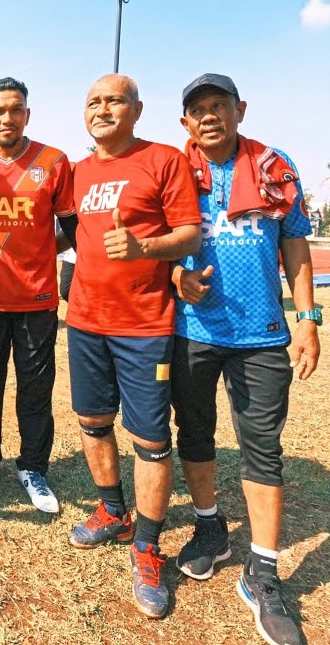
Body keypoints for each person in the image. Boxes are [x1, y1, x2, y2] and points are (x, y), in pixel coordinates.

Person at [171, 73, 318, 645]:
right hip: (192, 330)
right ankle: (211, 528)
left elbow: (295, 241)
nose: (209, 116)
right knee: (194, 432)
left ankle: (263, 571)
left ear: (240, 110)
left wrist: (308, 319)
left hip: (261, 333)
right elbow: (156, 241)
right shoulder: (174, 169)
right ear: (185, 122)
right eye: (198, 109)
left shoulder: (274, 166)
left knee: (263, 447)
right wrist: (175, 275)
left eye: (219, 105)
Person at [66, 74, 201, 619]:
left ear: (137, 110)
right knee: (92, 421)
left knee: (150, 439)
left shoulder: (163, 160)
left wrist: (144, 247)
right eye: (93, 102)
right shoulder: (77, 172)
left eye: (114, 101)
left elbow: (190, 234)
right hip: (84, 320)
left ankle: (147, 545)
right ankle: (112, 511)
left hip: (144, 326)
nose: (102, 109)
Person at [0, 77, 76, 514]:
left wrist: (47, 251)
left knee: (35, 389)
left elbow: (73, 227)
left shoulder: (53, 161)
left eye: (15, 109)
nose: (7, 118)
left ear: (27, 114)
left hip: (37, 301)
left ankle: (33, 467)